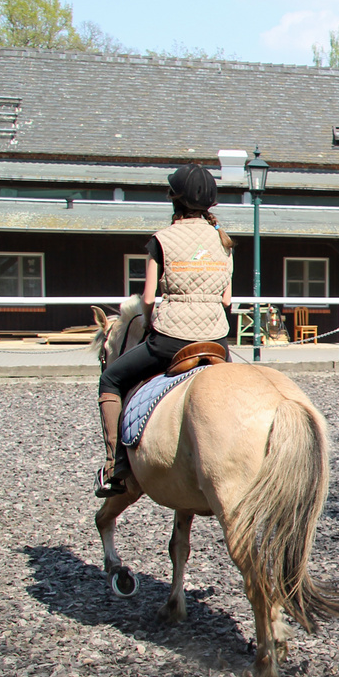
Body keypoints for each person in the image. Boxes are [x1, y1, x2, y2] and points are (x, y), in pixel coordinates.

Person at [94, 164, 234, 496]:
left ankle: (116, 466)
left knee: (111, 379)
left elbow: (147, 298)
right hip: (216, 340)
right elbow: (227, 299)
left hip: (171, 340)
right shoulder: (223, 240)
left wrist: (148, 319)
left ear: (174, 200)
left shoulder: (162, 239)